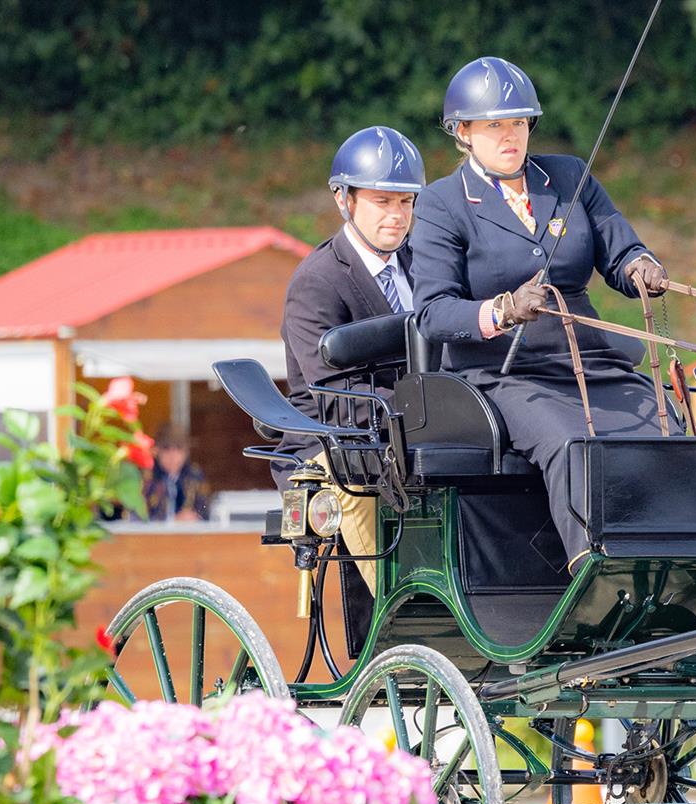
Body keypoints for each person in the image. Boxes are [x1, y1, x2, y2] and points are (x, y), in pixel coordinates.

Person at [411, 56, 670, 572]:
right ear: (463, 132)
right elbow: (433, 313)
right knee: (573, 444)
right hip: (505, 374)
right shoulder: (441, 203)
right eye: (494, 126)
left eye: (519, 122)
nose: (510, 135)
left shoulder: (569, 176)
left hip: (590, 362)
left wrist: (641, 267)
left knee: (669, 432)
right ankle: (597, 572)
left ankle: (678, 559)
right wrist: (504, 309)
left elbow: (620, 251)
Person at [277, 125, 425, 592]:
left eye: (406, 202)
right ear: (345, 199)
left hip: (413, 433)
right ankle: (397, 602)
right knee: (359, 483)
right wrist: (427, 412)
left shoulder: (425, 264)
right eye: (383, 201)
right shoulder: (317, 282)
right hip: (335, 440)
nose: (397, 215)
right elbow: (334, 393)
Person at [141, 423, 210, 522]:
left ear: (186, 452)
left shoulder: (194, 475)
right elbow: (135, 518)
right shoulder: (146, 477)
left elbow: (205, 510)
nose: (173, 456)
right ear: (156, 450)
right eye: (166, 449)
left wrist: (195, 517)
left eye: (179, 448)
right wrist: (171, 521)